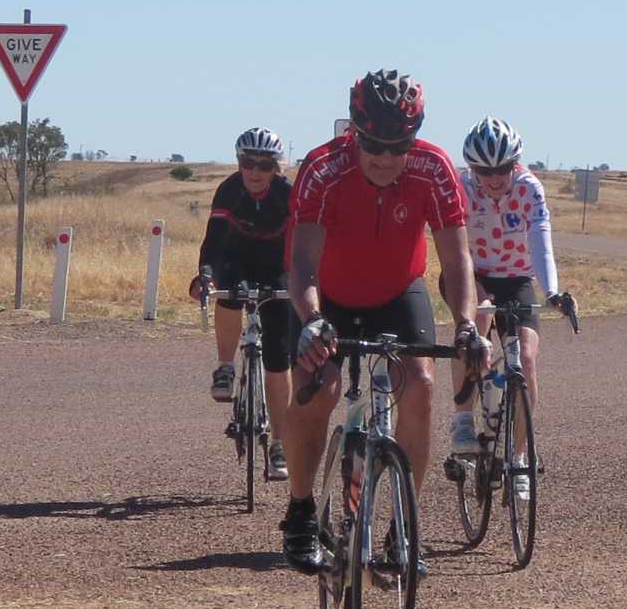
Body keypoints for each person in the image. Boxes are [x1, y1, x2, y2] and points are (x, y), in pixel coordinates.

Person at [284, 70, 489, 570]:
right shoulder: (322, 168)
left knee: (420, 384)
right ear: (354, 129)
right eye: (373, 143)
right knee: (322, 387)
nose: (384, 157)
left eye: (398, 145)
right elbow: (301, 262)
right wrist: (312, 320)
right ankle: (301, 509)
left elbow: (456, 259)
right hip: (327, 298)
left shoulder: (434, 169)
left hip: (399, 291)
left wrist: (465, 324)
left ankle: (403, 526)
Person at [449, 116, 563, 504]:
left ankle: (519, 459)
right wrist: (473, 288)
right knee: (475, 325)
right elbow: (455, 246)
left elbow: (540, 240)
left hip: (516, 278)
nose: (494, 178)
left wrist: (553, 291)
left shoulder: (529, 188)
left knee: (526, 360)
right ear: (473, 168)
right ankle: (463, 421)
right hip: (473, 273)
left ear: (515, 163)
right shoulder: (463, 188)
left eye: (502, 169)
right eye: (485, 170)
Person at [191, 126, 297, 495]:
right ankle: (225, 367)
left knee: (279, 362)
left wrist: (303, 284)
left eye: (264, 164)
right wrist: (205, 276)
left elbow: (302, 245)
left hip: (276, 266)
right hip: (236, 259)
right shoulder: (229, 190)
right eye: (247, 163)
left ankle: (280, 445)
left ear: (276, 167)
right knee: (228, 292)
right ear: (239, 163)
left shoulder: (288, 195)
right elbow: (213, 243)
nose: (254, 171)